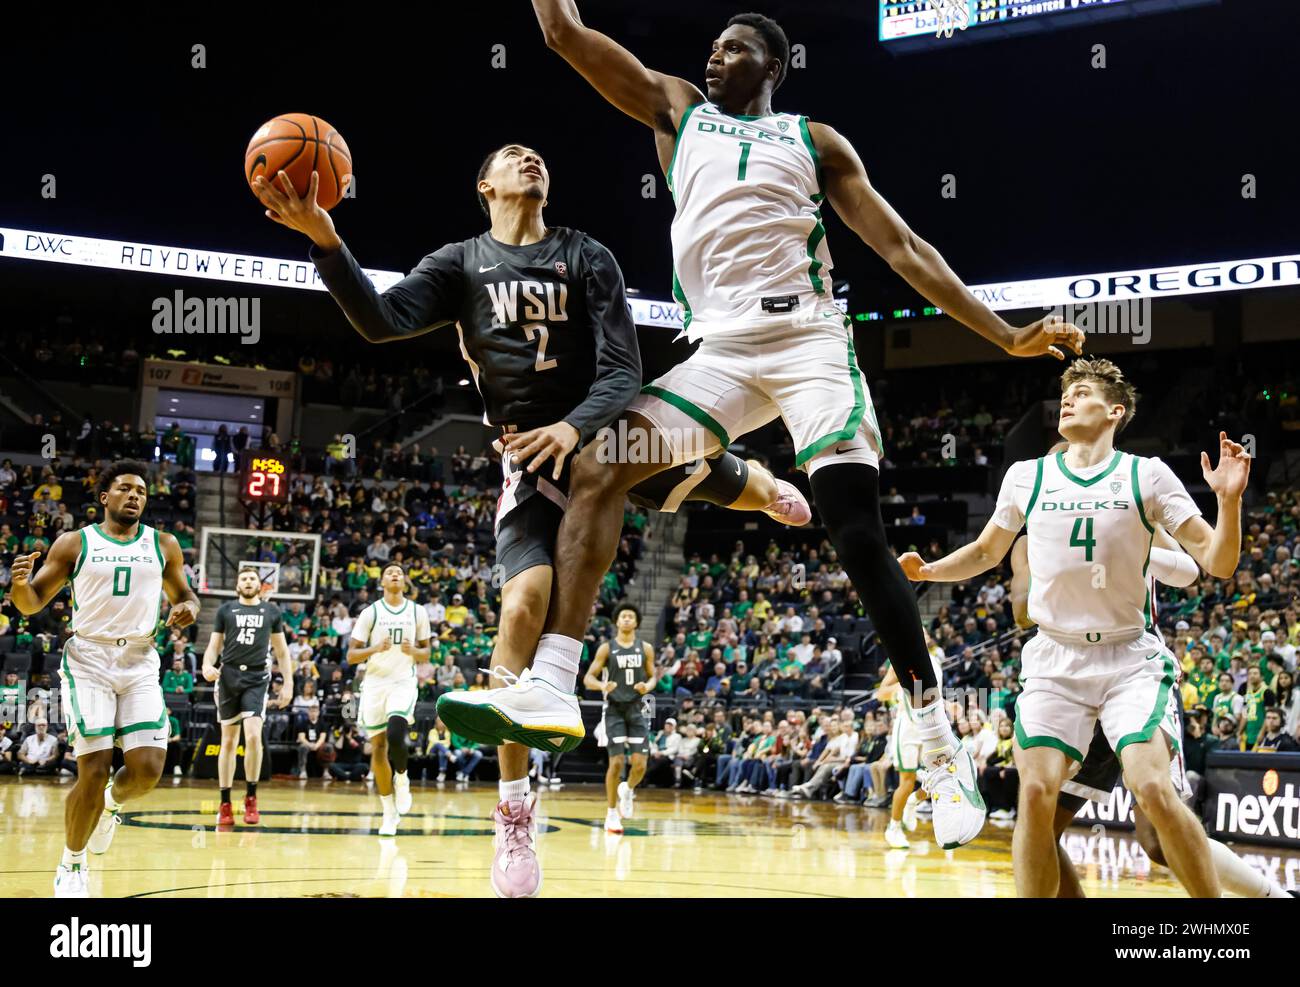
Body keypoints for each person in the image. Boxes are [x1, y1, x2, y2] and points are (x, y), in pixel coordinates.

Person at [518, 0, 1086, 850]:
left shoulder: (815, 142)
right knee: (600, 465)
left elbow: (904, 249)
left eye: (735, 46)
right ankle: (555, 681)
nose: (714, 56)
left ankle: (936, 745)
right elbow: (563, 33)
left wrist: (1004, 333)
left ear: (773, 65)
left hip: (809, 340)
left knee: (854, 529)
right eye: (712, 45)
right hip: (718, 350)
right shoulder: (676, 108)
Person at [256, 134, 812, 900]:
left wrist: (577, 427)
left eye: (538, 154)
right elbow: (380, 321)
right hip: (528, 457)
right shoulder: (460, 265)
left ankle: (760, 479)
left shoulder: (588, 257)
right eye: (513, 155)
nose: (532, 159)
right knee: (521, 604)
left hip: (607, 430)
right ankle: (514, 811)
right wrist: (326, 238)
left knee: (731, 482)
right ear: (484, 185)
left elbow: (624, 369)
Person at [900, 359, 1248, 897]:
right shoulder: (1026, 476)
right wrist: (929, 571)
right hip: (1054, 661)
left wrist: (1229, 500)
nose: (1065, 400)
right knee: (1035, 797)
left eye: (1080, 392)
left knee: (1153, 788)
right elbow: (987, 550)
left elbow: (1219, 562)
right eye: (1064, 393)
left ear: (1115, 411)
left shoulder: (1147, 473)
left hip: (1128, 660)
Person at [9, 460, 200, 898]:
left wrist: (189, 607)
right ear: (104, 497)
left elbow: (184, 594)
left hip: (140, 659)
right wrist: (18, 584)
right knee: (92, 770)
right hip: (89, 659)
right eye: (126, 489)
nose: (135, 496)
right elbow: (31, 602)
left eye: (141, 492)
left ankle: (113, 806)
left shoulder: (164, 544)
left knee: (149, 770)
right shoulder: (74, 543)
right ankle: (72, 864)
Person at [201, 565, 294, 827]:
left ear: (259, 584)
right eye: (244, 578)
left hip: (256, 678)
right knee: (228, 743)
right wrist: (207, 665)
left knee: (253, 736)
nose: (249, 581)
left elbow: (282, 652)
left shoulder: (271, 611)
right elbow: (213, 647)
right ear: (237, 585)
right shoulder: (225, 610)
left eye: (253, 578)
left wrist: (288, 684)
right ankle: (225, 802)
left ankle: (251, 797)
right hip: (228, 677)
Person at [347, 563, 432, 837]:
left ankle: (403, 778)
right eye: (389, 573)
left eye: (399, 572)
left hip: (402, 681)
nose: (395, 575)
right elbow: (351, 656)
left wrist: (414, 651)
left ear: (404, 581)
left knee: (396, 732)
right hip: (374, 683)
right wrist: (375, 648)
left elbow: (427, 653)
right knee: (379, 746)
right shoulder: (371, 612)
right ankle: (388, 811)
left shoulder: (418, 611)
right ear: (382, 582)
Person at [583, 603, 656, 834]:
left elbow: (654, 676)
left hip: (637, 709)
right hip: (613, 709)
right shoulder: (606, 648)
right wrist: (602, 685)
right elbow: (588, 678)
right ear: (617, 621)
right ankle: (611, 813)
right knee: (616, 763)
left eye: (630, 616)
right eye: (623, 616)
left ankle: (628, 789)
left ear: (636, 622)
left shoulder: (645, 648)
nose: (626, 619)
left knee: (640, 764)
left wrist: (648, 686)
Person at [876, 647, 942, 849]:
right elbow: (881, 694)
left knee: (940, 776)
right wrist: (899, 689)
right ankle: (893, 827)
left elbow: (933, 695)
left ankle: (914, 802)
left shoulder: (935, 662)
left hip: (932, 723)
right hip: (908, 728)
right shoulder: (899, 660)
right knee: (907, 780)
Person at [295, 705, 328, 778]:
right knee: (302, 747)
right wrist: (310, 745)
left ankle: (326, 771)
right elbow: (301, 738)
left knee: (328, 747)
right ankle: (302, 771)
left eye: (315, 711)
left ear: (318, 713)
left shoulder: (322, 724)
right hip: (307, 743)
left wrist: (316, 745)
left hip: (318, 744)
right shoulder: (303, 724)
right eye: (311, 711)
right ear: (308, 713)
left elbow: (322, 738)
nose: (313, 713)